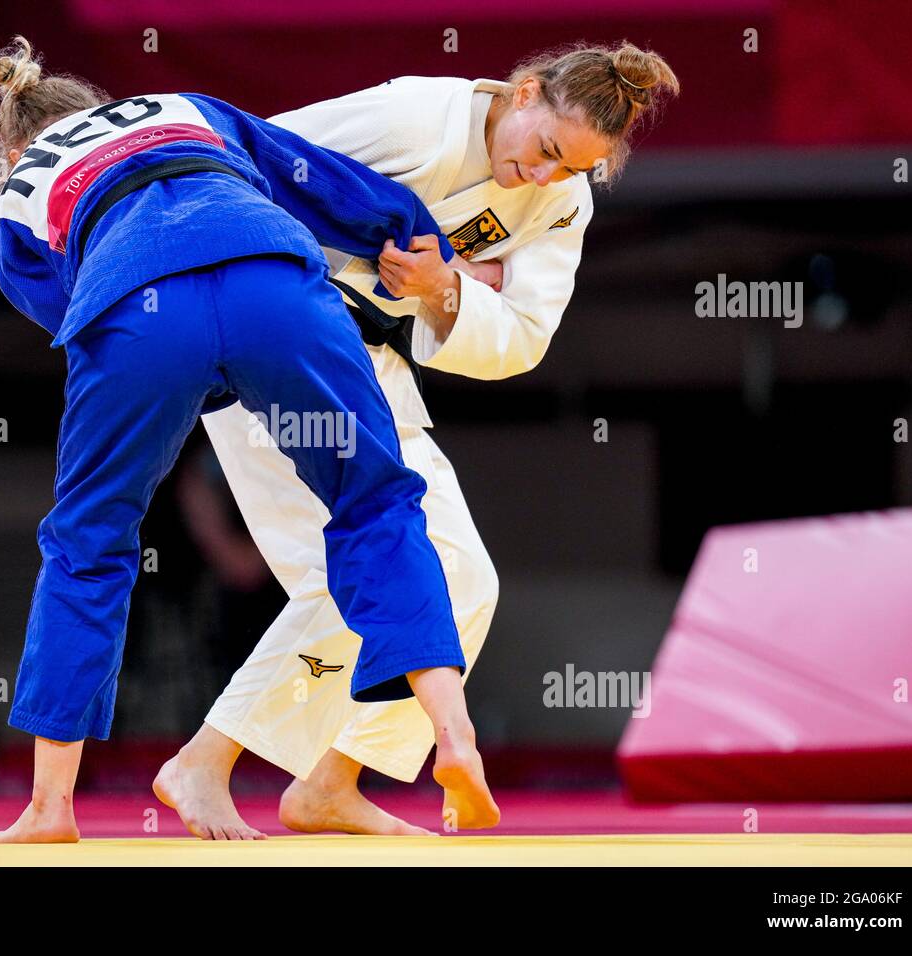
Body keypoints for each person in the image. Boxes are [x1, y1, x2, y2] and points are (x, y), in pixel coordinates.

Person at [0, 36, 501, 843]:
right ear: (102, 109)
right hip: (272, 276)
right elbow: (320, 180)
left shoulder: (18, 199)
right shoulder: (184, 109)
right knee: (379, 500)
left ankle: (49, 805)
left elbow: (63, 311)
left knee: (89, 541)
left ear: (15, 148)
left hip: (135, 308)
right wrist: (426, 238)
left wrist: (188, 380)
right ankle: (453, 732)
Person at [157, 43, 680, 838]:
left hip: (378, 364)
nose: (540, 178)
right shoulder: (416, 120)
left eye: (567, 169)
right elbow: (244, 161)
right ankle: (204, 760)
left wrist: (446, 289)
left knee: (462, 580)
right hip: (279, 337)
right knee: (361, 575)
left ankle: (332, 779)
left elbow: (526, 336)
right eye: (542, 151)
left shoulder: (563, 201)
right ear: (525, 91)